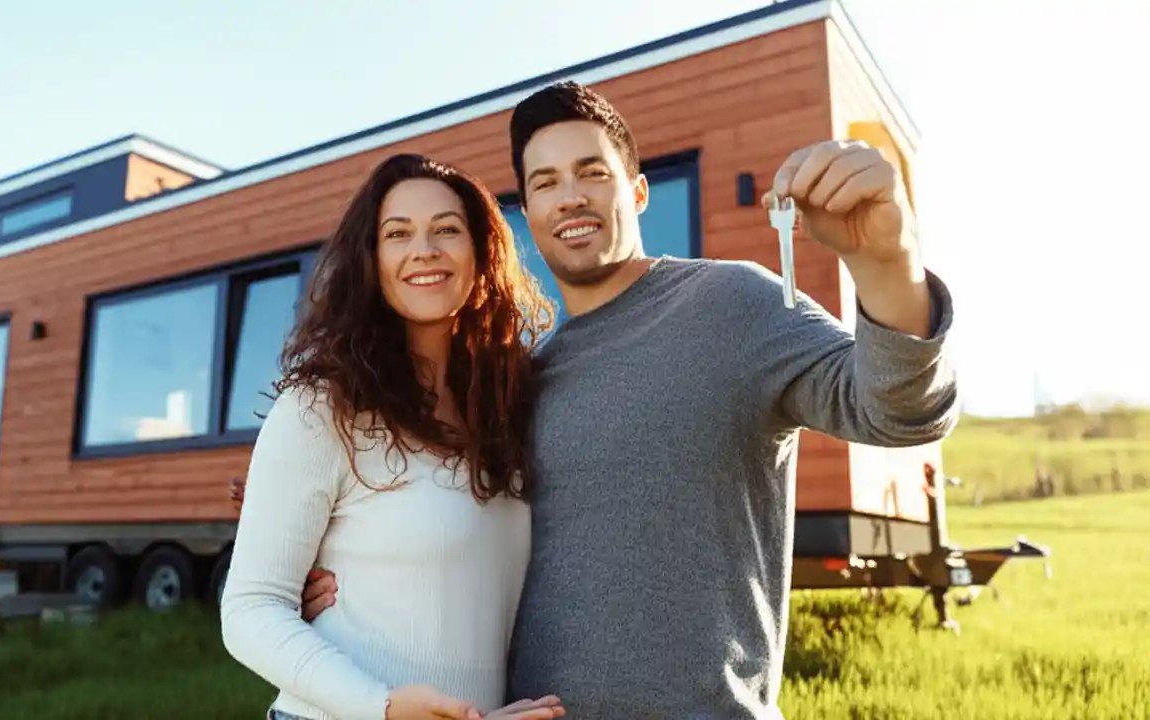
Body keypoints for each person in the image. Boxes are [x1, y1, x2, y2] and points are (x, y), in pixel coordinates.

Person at [300, 80, 960, 718]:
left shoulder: (733, 304)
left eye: (593, 172)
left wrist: (886, 263)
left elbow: (900, 411)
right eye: (546, 183)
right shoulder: (522, 381)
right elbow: (448, 529)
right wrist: (333, 567)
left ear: (638, 191)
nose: (570, 198)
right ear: (527, 215)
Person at [219, 152, 568, 720]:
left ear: (481, 255)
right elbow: (251, 609)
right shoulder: (322, 407)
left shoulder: (509, 407)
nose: (424, 250)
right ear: (371, 260)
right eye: (398, 233)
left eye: (446, 230)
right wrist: (379, 706)